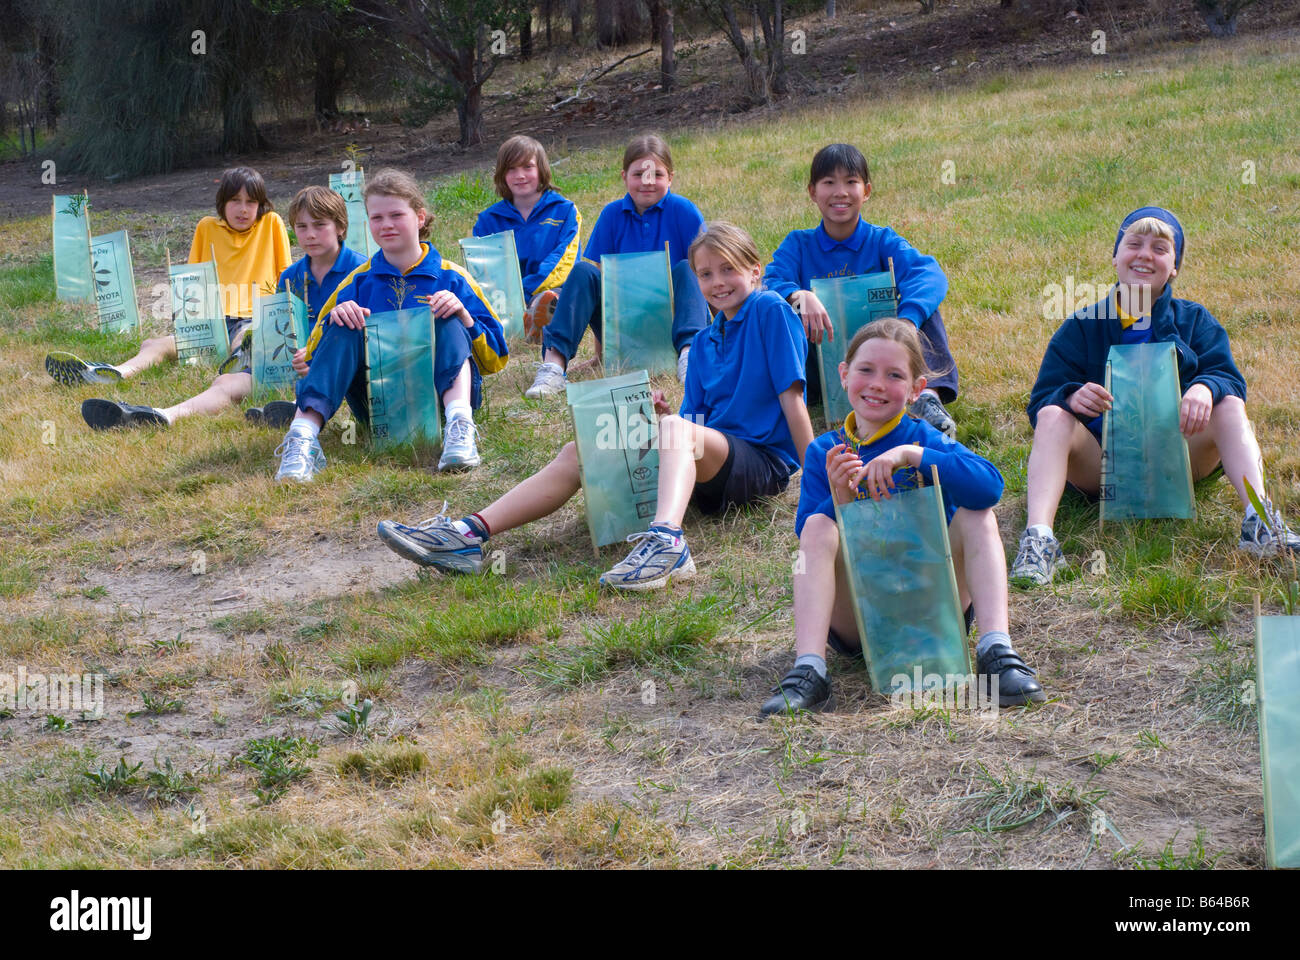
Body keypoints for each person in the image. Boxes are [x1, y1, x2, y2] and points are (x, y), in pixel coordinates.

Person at [376, 221, 813, 590]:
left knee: (676, 432)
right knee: (579, 450)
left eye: (728, 270)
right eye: (706, 274)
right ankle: (467, 534)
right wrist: (664, 418)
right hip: (711, 469)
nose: (717, 282)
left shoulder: (769, 310)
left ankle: (669, 544)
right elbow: (697, 420)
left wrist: (814, 482)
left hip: (762, 467)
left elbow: (792, 399)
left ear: (755, 271)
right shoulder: (701, 344)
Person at [762, 318, 1044, 717]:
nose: (877, 383)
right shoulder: (825, 451)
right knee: (818, 525)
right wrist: (843, 501)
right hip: (858, 617)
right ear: (843, 375)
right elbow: (807, 539)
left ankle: (996, 652)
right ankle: (810, 670)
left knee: (976, 514)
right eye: (866, 370)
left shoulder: (924, 438)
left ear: (916, 390)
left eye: (894, 375)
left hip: (934, 609)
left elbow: (991, 487)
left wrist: (914, 457)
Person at [1012, 205, 1299, 583]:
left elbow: (1230, 379)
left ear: (1175, 266)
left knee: (1228, 405)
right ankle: (1039, 540)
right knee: (1052, 416)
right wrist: (1070, 397)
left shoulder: (1194, 320)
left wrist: (1204, 387)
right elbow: (1040, 401)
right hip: (1103, 466)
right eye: (1134, 244)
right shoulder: (1081, 327)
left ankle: (1260, 524)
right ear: (1115, 257)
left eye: (1160, 248)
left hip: (1179, 458)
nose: (1145, 254)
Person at [273, 168, 506, 482]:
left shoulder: (453, 276)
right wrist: (336, 318)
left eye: (396, 215)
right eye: (376, 217)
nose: (386, 225)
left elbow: (497, 359)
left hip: (442, 405)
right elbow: (310, 362)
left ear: (420, 217)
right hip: (379, 409)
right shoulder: (355, 283)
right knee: (343, 319)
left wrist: (465, 316)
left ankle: (460, 428)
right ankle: (302, 440)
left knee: (447, 309)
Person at [77, 186, 363, 431]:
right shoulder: (291, 277)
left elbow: (364, 338)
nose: (310, 234)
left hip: (336, 368)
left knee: (315, 376)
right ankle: (162, 415)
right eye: (302, 227)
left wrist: (315, 357)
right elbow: (283, 331)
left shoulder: (361, 271)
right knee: (228, 380)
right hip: (291, 366)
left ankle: (293, 410)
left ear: (340, 227)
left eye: (319, 225)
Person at [47, 167, 292, 413]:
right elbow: (192, 279)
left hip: (251, 317)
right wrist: (186, 320)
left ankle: (243, 358)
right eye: (235, 201)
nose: (243, 209)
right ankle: (114, 372)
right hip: (210, 323)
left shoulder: (271, 223)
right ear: (222, 202)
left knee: (244, 337)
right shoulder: (207, 227)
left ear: (260, 205)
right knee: (155, 343)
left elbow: (286, 275)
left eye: (251, 202)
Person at [762, 143, 960, 438]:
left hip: (885, 357)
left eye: (851, 182)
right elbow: (770, 282)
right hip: (821, 364)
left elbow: (928, 275)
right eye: (829, 182)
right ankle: (787, 402)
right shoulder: (798, 245)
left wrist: (907, 321)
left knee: (923, 306)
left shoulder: (881, 241)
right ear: (813, 192)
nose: (840, 192)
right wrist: (797, 295)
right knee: (776, 310)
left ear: (866, 191)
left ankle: (926, 398)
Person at [522, 133, 710, 399]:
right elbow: (603, 283)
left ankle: (691, 356)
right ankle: (554, 364)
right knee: (584, 272)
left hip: (674, 318)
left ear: (671, 178)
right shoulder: (612, 215)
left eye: (656, 174)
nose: (647, 182)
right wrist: (602, 356)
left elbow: (709, 276)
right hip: (624, 323)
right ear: (624, 177)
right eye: (638, 175)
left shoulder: (684, 211)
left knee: (689, 267)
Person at [473, 135, 581, 341]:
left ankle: (541, 319)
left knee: (556, 299)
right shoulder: (487, 220)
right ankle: (518, 322)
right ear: (502, 175)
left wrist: (529, 294)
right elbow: (485, 272)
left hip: (550, 288)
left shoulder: (565, 211)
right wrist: (513, 301)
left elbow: (562, 262)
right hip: (504, 299)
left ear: (541, 170)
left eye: (527, 167)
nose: (520, 175)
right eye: (511, 169)